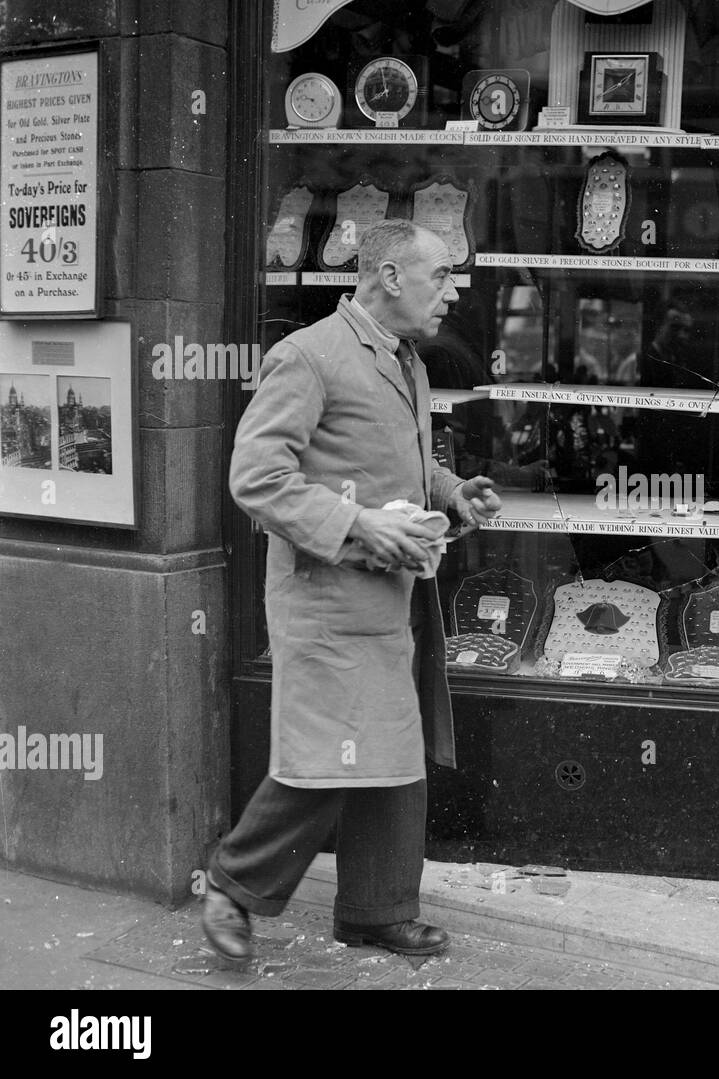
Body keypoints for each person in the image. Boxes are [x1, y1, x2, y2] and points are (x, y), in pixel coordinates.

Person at [201, 220, 502, 962]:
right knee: (331, 756)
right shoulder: (306, 356)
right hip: (327, 598)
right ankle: (233, 884)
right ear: (391, 277)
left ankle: (375, 908)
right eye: (442, 277)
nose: (454, 292)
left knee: (393, 752)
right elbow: (257, 480)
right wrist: (358, 523)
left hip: (387, 594)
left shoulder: (407, 360)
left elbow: (397, 464)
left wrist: (453, 489)